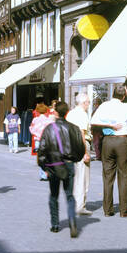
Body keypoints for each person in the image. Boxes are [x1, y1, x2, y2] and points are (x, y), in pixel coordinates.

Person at [90, 85, 127, 217]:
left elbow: (93, 121)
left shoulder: (104, 106)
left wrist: (110, 125)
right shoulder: (126, 106)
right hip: (122, 140)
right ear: (124, 96)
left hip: (108, 141)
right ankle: (123, 209)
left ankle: (108, 210)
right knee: (123, 175)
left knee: (108, 176)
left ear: (113, 94)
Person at [38, 101, 85, 236]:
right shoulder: (74, 128)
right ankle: (72, 221)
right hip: (69, 164)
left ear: (56, 113)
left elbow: (42, 149)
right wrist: (75, 159)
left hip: (54, 165)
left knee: (54, 195)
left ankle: (55, 224)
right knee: (70, 195)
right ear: (67, 112)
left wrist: (44, 166)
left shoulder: (49, 129)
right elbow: (81, 147)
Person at [66, 93, 93, 214]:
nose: (89, 104)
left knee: (75, 176)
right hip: (81, 145)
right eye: (88, 102)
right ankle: (80, 206)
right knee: (83, 176)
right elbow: (81, 134)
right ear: (83, 103)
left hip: (70, 145)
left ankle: (74, 203)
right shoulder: (82, 114)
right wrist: (85, 152)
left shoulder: (71, 113)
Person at [28, 102, 52, 180]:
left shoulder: (35, 119)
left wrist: (36, 134)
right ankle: (47, 173)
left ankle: (42, 174)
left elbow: (31, 129)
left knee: (40, 158)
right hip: (47, 140)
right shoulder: (49, 120)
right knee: (47, 157)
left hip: (38, 139)